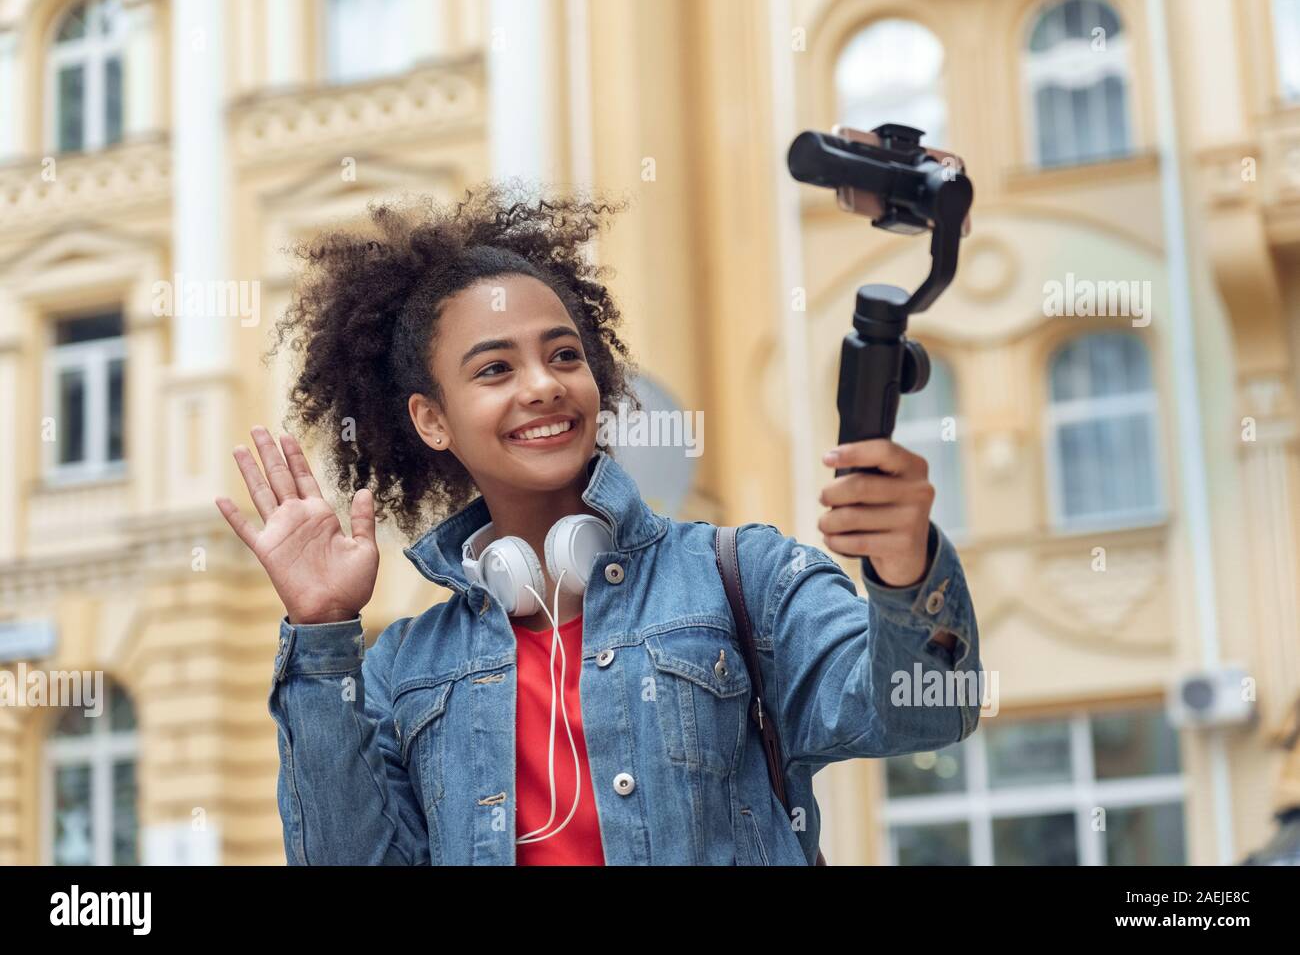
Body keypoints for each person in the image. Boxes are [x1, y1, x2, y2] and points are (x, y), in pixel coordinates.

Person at [215, 183, 982, 865]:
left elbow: (927, 712)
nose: (544, 385)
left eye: (563, 355)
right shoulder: (402, 669)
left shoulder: (743, 577)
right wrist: (321, 634)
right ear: (432, 419)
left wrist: (906, 570)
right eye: (495, 369)